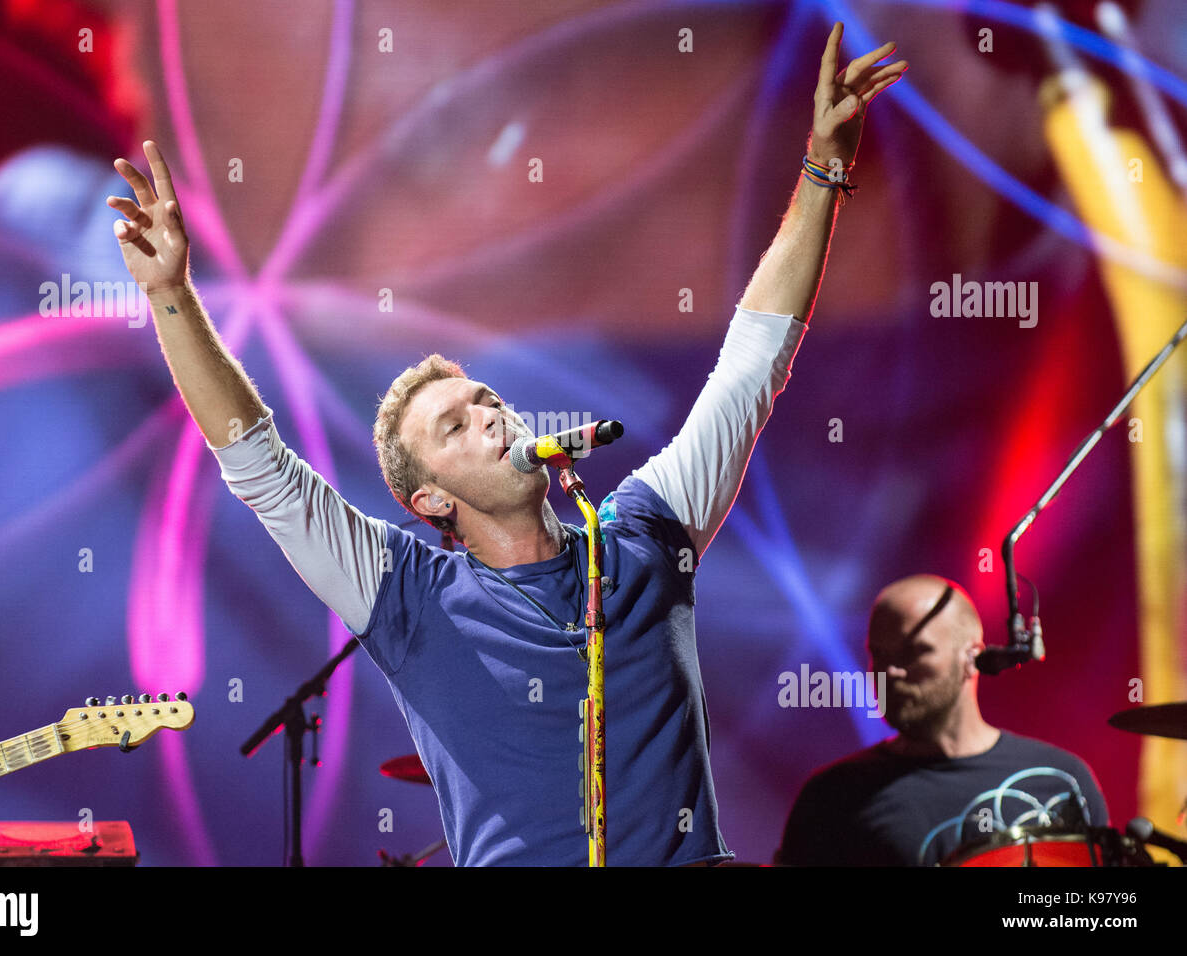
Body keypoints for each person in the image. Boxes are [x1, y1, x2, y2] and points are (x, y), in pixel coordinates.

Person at [109, 24, 906, 865]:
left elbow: (752, 366)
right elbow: (259, 465)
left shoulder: (641, 535)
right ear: (429, 500)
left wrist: (823, 167)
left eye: (488, 401)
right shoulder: (408, 596)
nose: (493, 417)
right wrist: (172, 295)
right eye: (455, 426)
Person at [777, 574, 1109, 866]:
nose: (891, 672)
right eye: (880, 655)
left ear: (971, 657)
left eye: (914, 652)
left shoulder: (1062, 780)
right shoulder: (833, 796)